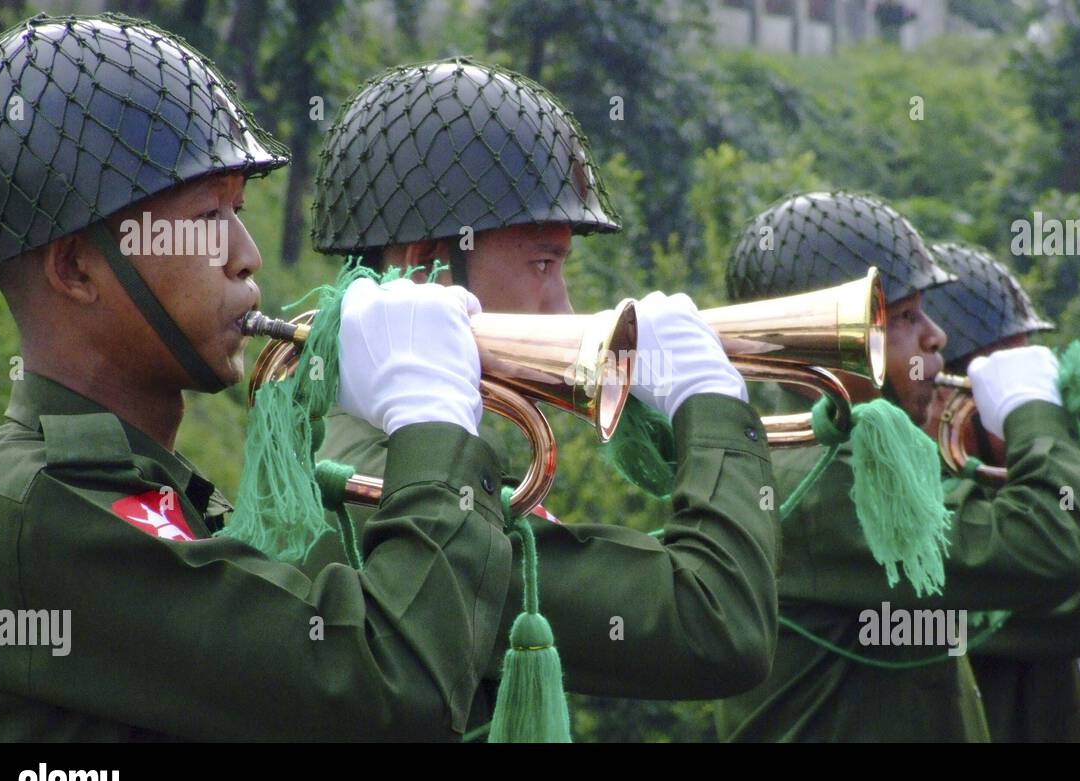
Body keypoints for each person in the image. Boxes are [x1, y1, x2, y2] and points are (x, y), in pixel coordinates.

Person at [0, 14, 518, 741]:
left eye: (241, 212)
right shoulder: (49, 508)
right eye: (207, 218)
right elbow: (390, 692)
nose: (248, 255)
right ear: (76, 268)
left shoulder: (142, 485)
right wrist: (434, 422)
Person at [306, 58, 782, 705]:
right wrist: (712, 401)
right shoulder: (389, 486)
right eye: (541, 262)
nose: (561, 307)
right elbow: (716, 626)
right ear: (426, 266)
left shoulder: (379, 451)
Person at [715, 191, 1080, 741]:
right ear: (829, 342)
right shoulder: (828, 482)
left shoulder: (822, 463)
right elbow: (1048, 551)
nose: (936, 336)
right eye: (903, 317)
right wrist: (1033, 416)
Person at [923, 242, 1080, 742]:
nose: (1038, 395)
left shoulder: (1013, 500)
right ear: (942, 396)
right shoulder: (935, 521)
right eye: (1007, 380)